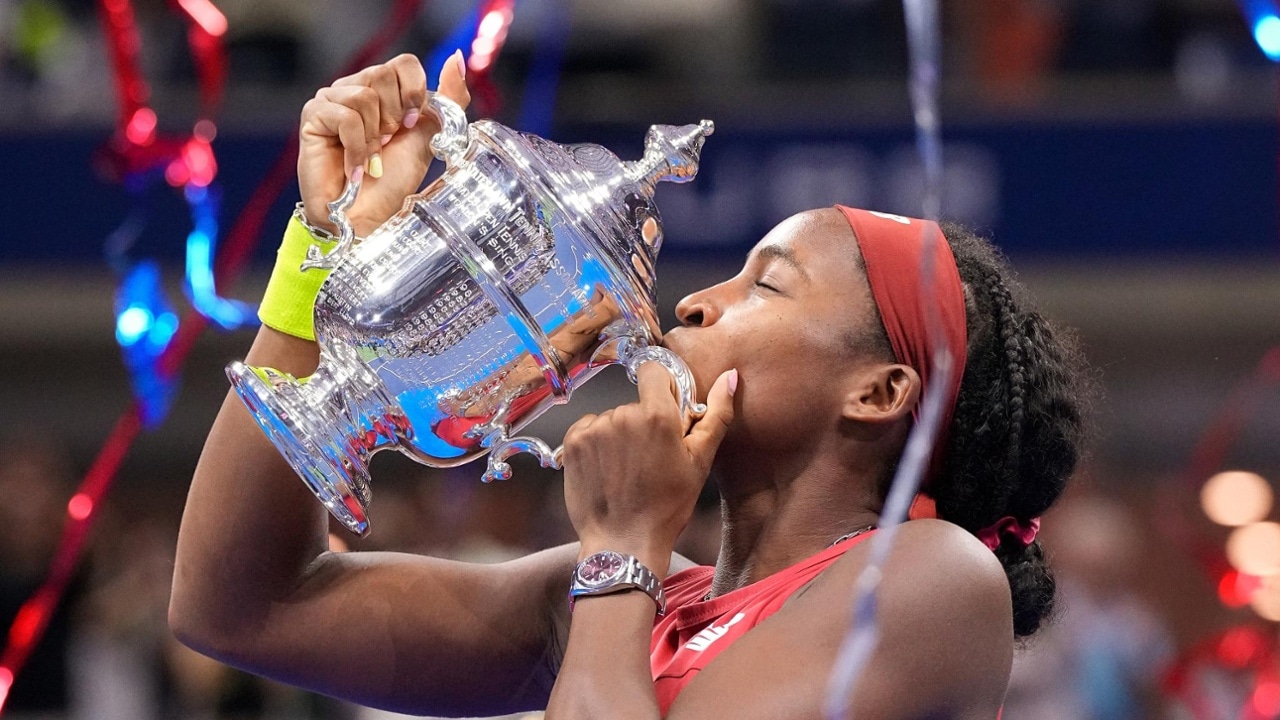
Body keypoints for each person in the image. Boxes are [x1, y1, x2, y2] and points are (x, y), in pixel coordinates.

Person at [170, 51, 1089, 720]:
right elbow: (240, 608)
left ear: (881, 392)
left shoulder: (940, 578)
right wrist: (332, 254)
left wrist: (619, 546)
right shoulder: (626, 594)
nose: (694, 302)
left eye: (765, 284)